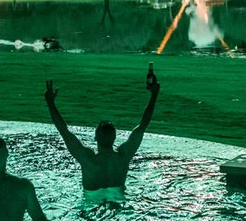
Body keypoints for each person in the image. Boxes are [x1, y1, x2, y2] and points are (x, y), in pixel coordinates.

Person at [44, 64, 160, 203]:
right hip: (118, 204)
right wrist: (154, 95)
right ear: (114, 138)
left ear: (95, 137)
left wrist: (50, 103)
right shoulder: (123, 156)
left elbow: (63, 130)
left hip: (91, 205)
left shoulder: (87, 159)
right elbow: (143, 125)